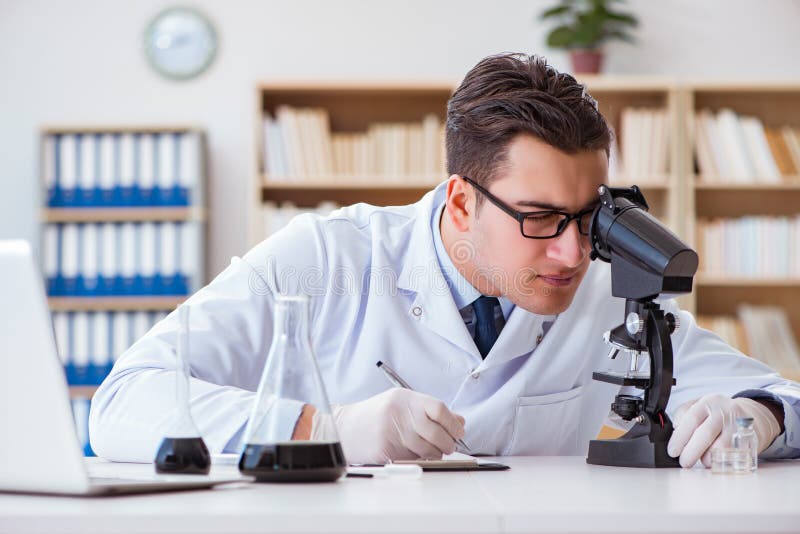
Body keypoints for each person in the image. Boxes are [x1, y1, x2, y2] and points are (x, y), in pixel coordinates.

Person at [90, 53, 799, 468]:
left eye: (587, 217)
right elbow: (124, 402)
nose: (573, 251)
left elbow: (784, 397)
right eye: (542, 218)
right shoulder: (328, 257)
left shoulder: (605, 290)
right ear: (461, 202)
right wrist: (324, 429)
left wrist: (757, 416)